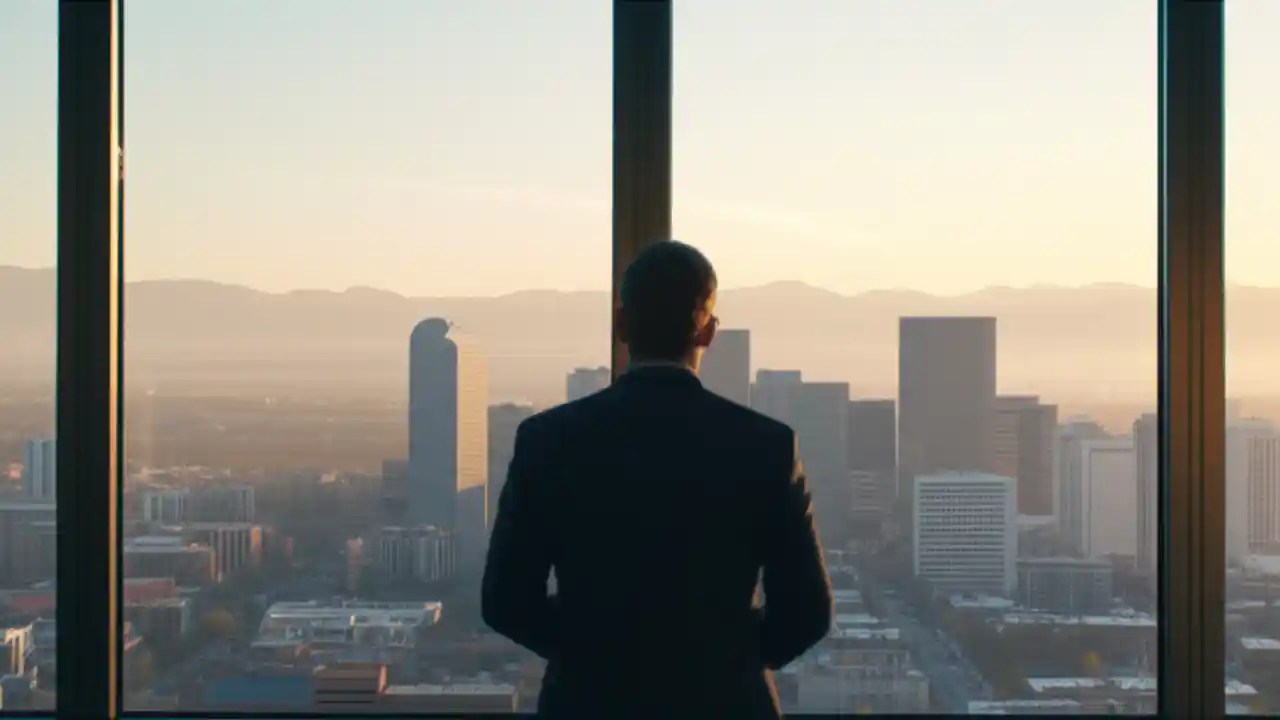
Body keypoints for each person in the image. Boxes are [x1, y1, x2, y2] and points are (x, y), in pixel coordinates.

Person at [482, 240, 833, 719]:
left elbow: (505, 602)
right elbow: (808, 613)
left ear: (621, 325)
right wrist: (724, 661)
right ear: (708, 332)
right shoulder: (766, 446)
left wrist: (592, 655)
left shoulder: (549, 440)